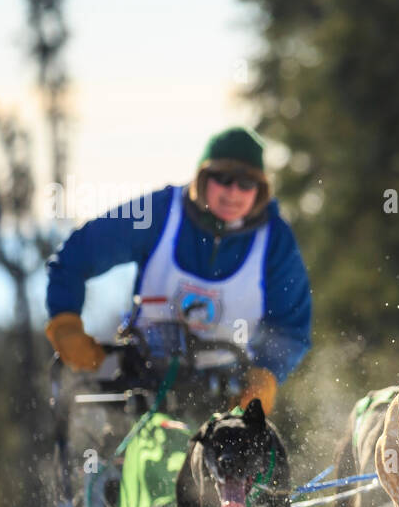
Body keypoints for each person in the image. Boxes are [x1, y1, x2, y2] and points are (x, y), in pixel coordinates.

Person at [43, 127, 311, 412]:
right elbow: (75, 255)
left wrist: (266, 373)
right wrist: (65, 322)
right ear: (203, 178)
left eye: (246, 183)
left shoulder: (274, 239)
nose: (233, 191)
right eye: (224, 178)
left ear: (259, 190)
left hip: (228, 393)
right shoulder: (160, 213)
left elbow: (290, 325)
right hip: (145, 382)